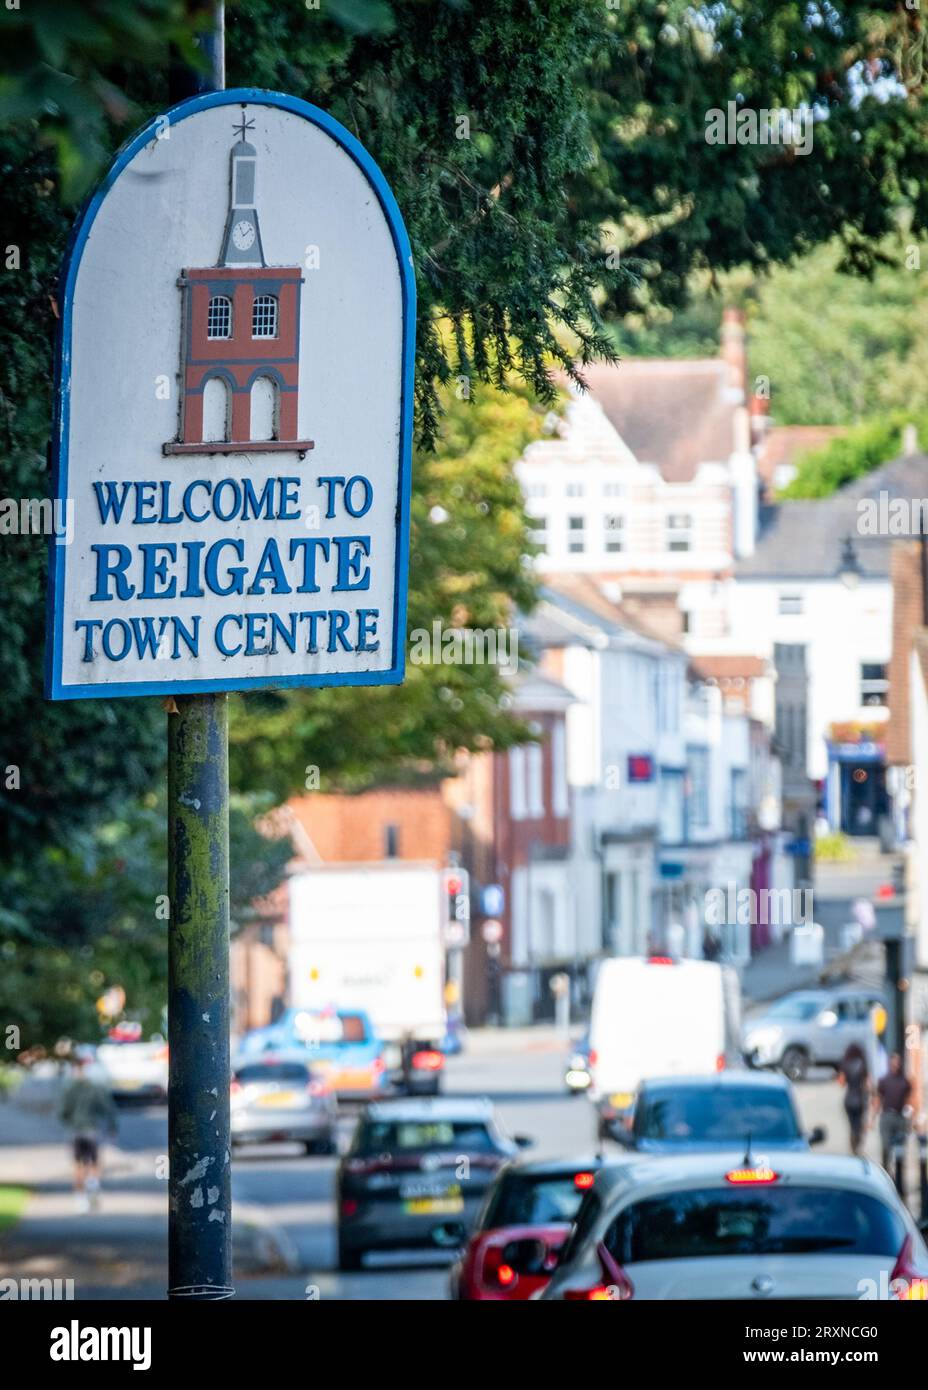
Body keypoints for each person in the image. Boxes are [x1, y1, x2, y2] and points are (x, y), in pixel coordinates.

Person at [58, 1054, 118, 1211]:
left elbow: (63, 1112)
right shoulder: (95, 1087)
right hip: (92, 1129)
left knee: (77, 1165)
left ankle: (80, 1200)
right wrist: (112, 1126)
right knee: (94, 1162)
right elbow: (107, 1107)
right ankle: (93, 1185)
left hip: (76, 1130)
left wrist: (69, 1120)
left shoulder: (69, 1088)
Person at [872, 1051, 912, 1172]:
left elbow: (909, 1100)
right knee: (886, 1147)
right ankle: (886, 1172)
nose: (896, 1064)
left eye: (898, 1062)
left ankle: (899, 1180)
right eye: (894, 1062)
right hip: (887, 1116)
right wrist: (872, 1118)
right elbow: (878, 1098)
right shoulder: (884, 1080)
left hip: (900, 1117)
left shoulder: (904, 1081)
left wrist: (911, 1118)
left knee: (900, 1150)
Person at [838, 1042, 870, 1156]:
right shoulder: (863, 1064)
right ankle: (857, 1146)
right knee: (859, 1125)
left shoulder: (845, 1064)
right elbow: (867, 1084)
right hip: (860, 1098)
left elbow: (841, 1083)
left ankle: (853, 1148)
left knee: (852, 1125)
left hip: (849, 1099)